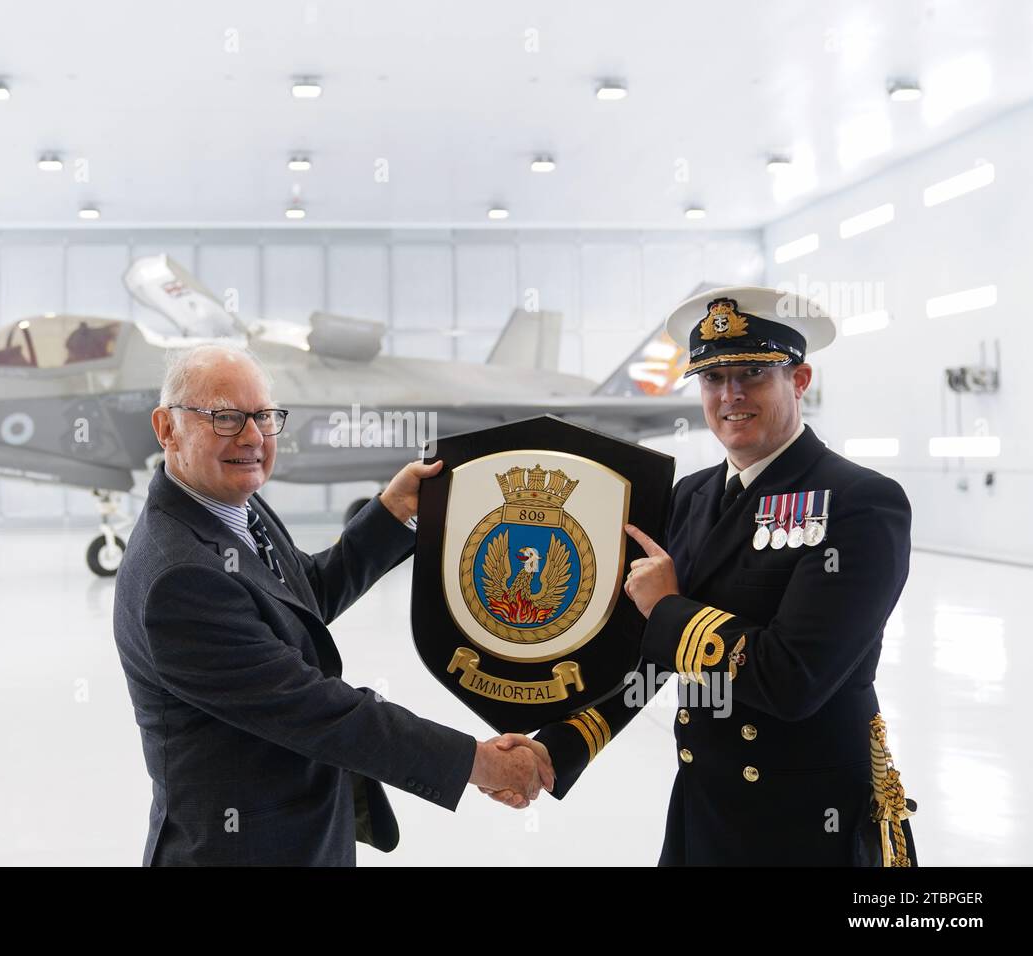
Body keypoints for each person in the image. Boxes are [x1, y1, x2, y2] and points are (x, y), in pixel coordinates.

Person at [489, 286, 916, 866]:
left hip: (804, 818)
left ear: (800, 379)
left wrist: (667, 608)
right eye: (713, 379)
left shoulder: (859, 502)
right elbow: (649, 661)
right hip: (703, 801)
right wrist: (554, 752)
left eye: (753, 373)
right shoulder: (692, 497)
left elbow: (793, 679)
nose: (731, 394)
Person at [112, 342, 553, 866]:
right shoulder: (179, 577)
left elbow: (300, 597)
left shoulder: (233, 507)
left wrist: (393, 512)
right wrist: (477, 763)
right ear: (167, 429)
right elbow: (318, 711)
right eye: (226, 418)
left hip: (301, 838)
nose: (252, 437)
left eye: (264, 417)